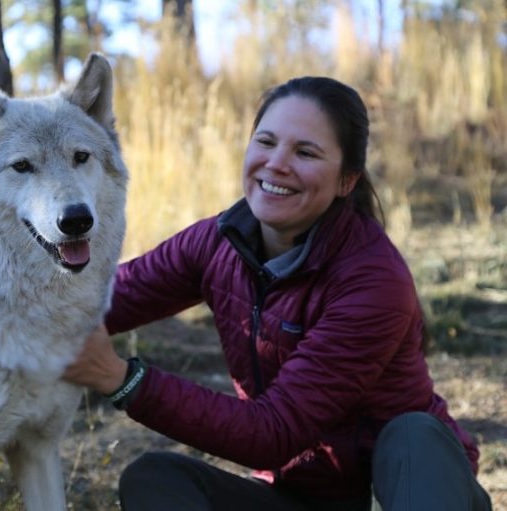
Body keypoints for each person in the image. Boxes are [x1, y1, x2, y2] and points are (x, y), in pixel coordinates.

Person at [62, 76, 493, 511]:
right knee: (157, 478)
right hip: (303, 497)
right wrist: (7, 296)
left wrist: (122, 379)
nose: (276, 163)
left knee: (413, 435)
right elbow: (98, 297)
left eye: (305, 152)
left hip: (411, 495)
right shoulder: (215, 242)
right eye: (265, 142)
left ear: (346, 180)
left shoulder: (372, 280)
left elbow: (272, 432)